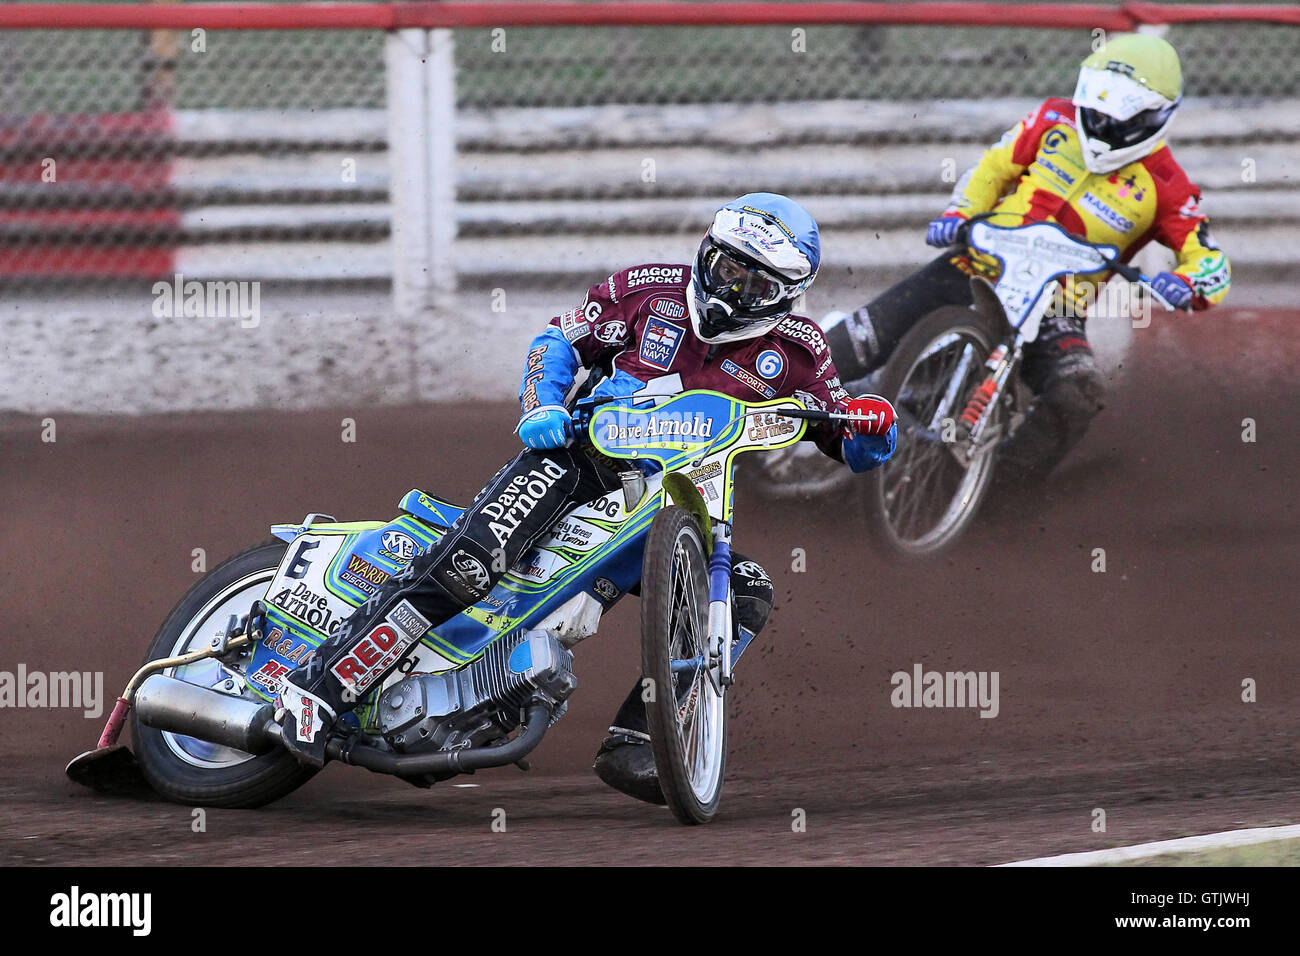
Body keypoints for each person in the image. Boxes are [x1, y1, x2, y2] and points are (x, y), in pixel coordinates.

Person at [273, 193, 899, 803]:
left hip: (681, 495)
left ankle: (641, 742)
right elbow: (557, 341)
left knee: (748, 592)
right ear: (707, 251)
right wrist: (542, 404)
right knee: (471, 563)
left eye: (753, 284)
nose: (731, 290)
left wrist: (875, 427)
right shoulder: (646, 287)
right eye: (726, 268)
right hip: (579, 457)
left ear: (787, 295)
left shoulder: (799, 348)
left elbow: (844, 431)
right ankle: (320, 691)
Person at [823, 33, 1230, 480]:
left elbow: (1206, 258)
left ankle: (996, 493)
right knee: (847, 346)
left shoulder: (1168, 184)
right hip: (975, 266)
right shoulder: (1054, 118)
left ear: (1155, 115)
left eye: (1116, 118)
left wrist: (1189, 284)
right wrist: (960, 213)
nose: (1099, 123)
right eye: (1094, 109)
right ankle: (758, 412)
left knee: (1078, 391)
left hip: (1056, 306)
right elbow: (995, 168)